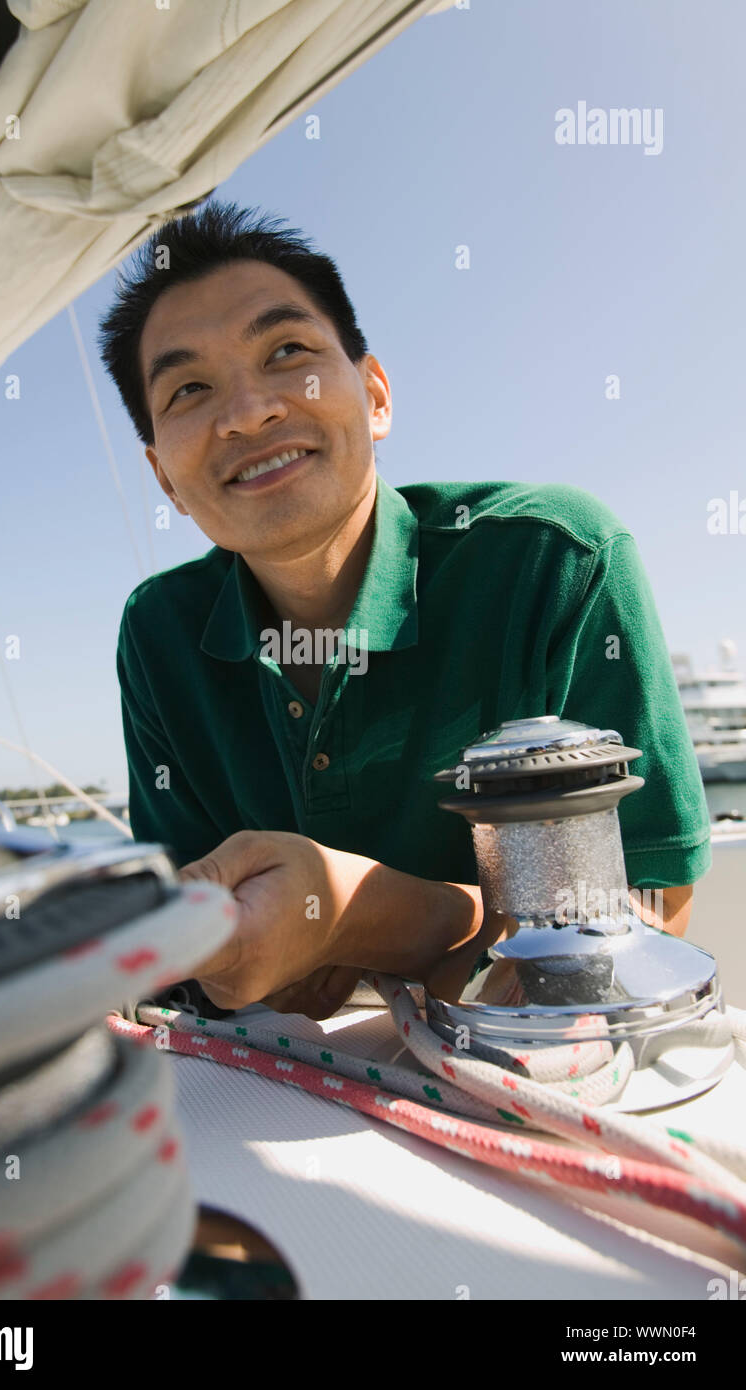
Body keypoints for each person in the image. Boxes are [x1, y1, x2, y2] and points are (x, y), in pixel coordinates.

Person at [98, 200, 709, 1020]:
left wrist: (366, 917)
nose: (247, 412)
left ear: (375, 395)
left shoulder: (557, 561)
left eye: (288, 352)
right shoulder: (158, 635)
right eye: (190, 389)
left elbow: (647, 921)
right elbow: (188, 943)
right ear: (163, 477)